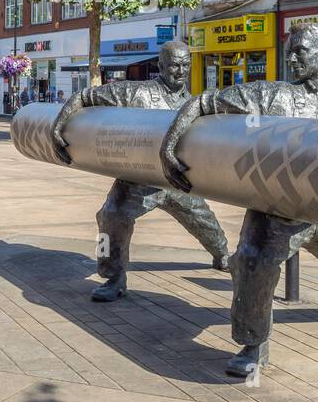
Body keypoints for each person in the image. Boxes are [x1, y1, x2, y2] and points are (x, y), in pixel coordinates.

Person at [160, 23, 318, 379]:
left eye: (300, 50)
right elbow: (202, 102)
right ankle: (254, 343)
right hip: (274, 209)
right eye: (291, 49)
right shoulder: (273, 97)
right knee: (252, 263)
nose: (292, 56)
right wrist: (169, 145)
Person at [52, 40, 230, 302]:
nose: (179, 72)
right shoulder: (136, 93)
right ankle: (113, 277)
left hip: (175, 179)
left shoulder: (194, 104)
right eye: (173, 66)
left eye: (184, 66)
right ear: (160, 66)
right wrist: (58, 125)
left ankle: (222, 254)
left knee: (203, 220)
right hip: (138, 178)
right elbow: (84, 97)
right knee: (110, 216)